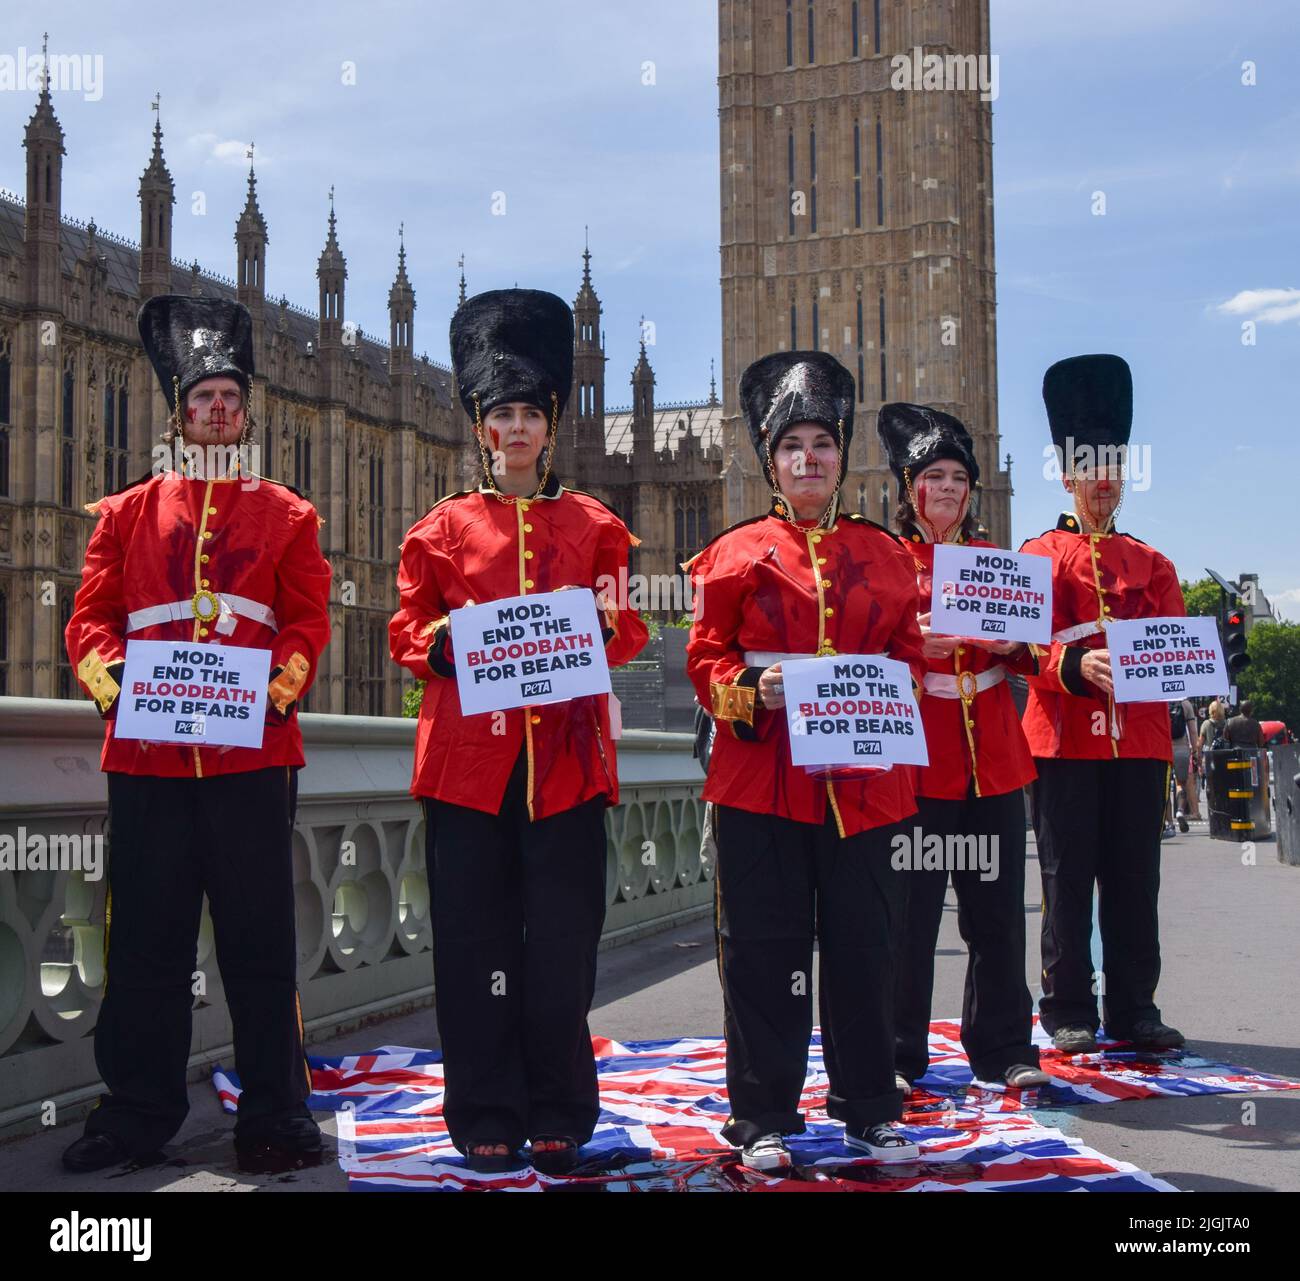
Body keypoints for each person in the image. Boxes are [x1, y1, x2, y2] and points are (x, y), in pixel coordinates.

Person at [61, 296, 332, 1172]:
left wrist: (281, 685)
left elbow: (305, 623)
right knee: (145, 941)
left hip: (254, 758)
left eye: (230, 395)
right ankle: (135, 1111)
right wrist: (112, 685)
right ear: (181, 412)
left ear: (247, 411)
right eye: (203, 396)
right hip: (147, 758)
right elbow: (91, 621)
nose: (217, 408)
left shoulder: (288, 516)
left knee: (261, 943)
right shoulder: (128, 514)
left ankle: (276, 1115)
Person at [389, 289, 647, 1174]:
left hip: (567, 767)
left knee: (563, 945)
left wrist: (598, 629)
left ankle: (562, 1105)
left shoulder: (597, 527)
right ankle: (484, 1107)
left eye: (531, 414)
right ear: (481, 429)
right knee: (474, 946)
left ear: (549, 427)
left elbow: (629, 624)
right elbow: (404, 635)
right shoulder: (438, 531)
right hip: (467, 769)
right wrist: (452, 647)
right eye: (502, 414)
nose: (518, 429)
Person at [685, 351, 926, 1172]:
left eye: (823, 442)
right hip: (762, 782)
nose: (810, 457)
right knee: (762, 949)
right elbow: (706, 664)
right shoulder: (733, 553)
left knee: (867, 946)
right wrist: (755, 688)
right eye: (793, 446)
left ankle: (869, 1106)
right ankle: (762, 1114)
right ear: (771, 460)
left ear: (842, 453)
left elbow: (908, 657)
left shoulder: (887, 555)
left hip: (865, 787)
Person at [877, 403, 1048, 1095]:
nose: (947, 488)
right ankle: (899, 1050)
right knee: (910, 921)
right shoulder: (886, 564)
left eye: (958, 478)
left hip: (996, 764)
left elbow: (1040, 651)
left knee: (999, 916)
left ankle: (1005, 1045)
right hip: (919, 772)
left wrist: (1016, 646)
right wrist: (916, 647)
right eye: (933, 476)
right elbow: (863, 657)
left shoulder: (995, 563)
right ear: (908, 488)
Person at [1020, 354, 1186, 1055]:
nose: (1104, 477)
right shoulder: (1038, 552)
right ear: (1066, 474)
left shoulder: (1156, 564)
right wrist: (1074, 664)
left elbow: (1175, 654)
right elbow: (1020, 649)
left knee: (1134, 878)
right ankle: (1065, 1006)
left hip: (1138, 742)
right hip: (1063, 741)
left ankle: (1134, 1007)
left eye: (1114, 463)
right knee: (1067, 877)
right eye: (1090, 464)